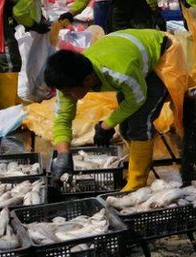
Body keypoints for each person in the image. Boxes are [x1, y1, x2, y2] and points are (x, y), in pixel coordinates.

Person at [45, 29, 187, 192]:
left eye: (68, 92)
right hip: (129, 57)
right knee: (125, 125)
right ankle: (139, 163)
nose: (66, 95)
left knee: (140, 121)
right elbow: (62, 120)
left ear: (87, 80)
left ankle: (137, 182)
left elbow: (137, 99)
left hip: (161, 55)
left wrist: (106, 125)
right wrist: (63, 155)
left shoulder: (119, 73)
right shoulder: (68, 82)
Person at [0, 0, 74, 107]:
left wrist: (38, 21)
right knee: (9, 60)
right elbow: (19, 11)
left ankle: (13, 99)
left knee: (11, 58)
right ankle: (7, 106)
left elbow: (30, 5)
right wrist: (34, 25)